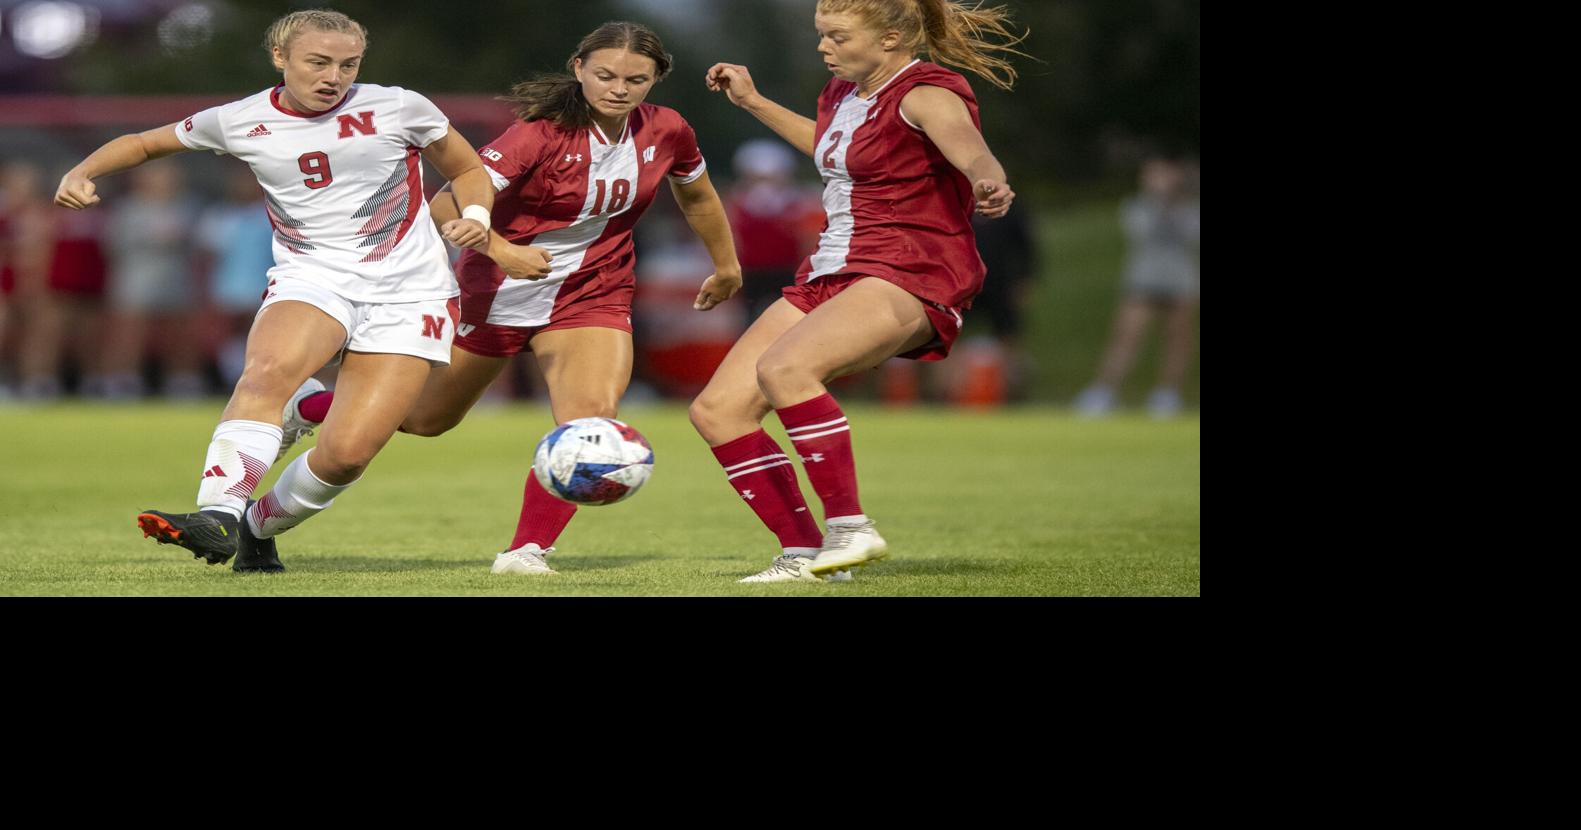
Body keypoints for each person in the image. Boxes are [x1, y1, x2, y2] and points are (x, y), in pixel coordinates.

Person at [283, 21, 743, 576]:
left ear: (656, 79)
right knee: (426, 420)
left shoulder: (668, 130)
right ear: (579, 68)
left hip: (592, 293)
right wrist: (503, 251)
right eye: (605, 75)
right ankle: (310, 405)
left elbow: (697, 196)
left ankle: (526, 552)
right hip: (497, 294)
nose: (619, 88)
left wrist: (726, 265)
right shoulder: (539, 134)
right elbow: (446, 205)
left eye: (636, 79)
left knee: (589, 421)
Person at [55, 9, 495, 572]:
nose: (333, 76)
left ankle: (257, 525)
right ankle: (218, 514)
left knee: (346, 455)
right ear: (280, 58)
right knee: (266, 371)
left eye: (347, 64)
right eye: (318, 62)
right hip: (313, 276)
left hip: (411, 291)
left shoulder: (399, 105)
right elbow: (145, 143)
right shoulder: (240, 119)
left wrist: (478, 215)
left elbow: (467, 169)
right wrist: (81, 172)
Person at [691, 0, 1025, 583]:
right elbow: (829, 148)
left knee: (786, 370)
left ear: (892, 39)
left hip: (911, 267)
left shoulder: (926, 91)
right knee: (718, 411)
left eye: (838, 37)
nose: (824, 47)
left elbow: (969, 146)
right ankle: (805, 553)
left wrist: (987, 179)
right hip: (831, 269)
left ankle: (851, 526)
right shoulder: (841, 94)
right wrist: (752, 102)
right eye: (821, 34)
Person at [1074, 153, 1200, 418]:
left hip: (1180, 280)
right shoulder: (1137, 206)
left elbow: (1189, 234)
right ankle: (1103, 391)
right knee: (1126, 337)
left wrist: (1180, 195)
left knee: (1178, 340)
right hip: (1143, 280)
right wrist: (1163, 200)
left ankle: (1167, 394)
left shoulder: (1189, 207)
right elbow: (1147, 232)